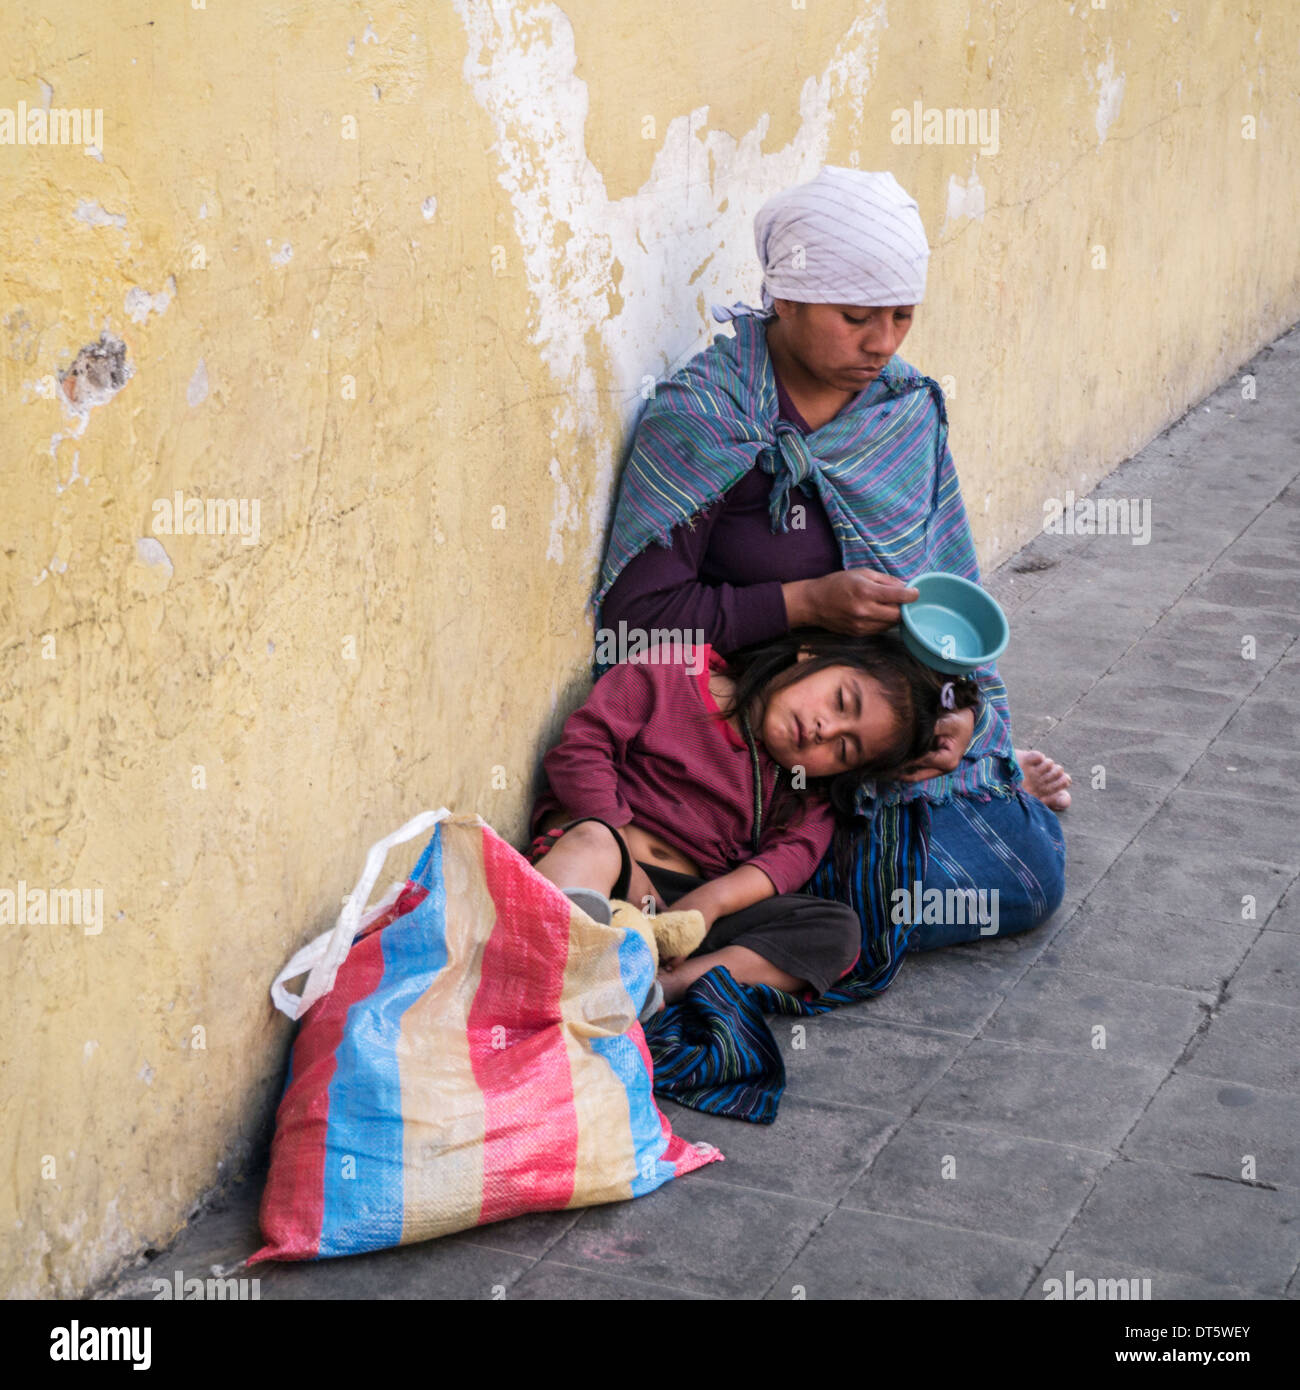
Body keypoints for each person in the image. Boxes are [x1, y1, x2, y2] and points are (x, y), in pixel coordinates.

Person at [595, 166, 1067, 967]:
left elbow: (940, 601)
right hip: (750, 747)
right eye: (855, 318)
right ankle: (738, 906)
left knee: (1025, 865)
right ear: (784, 296)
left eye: (901, 316)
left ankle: (738, 908)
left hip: (860, 726)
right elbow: (635, 621)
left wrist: (950, 712)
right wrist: (803, 602)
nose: (881, 343)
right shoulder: (704, 420)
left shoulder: (902, 410)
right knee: (1003, 866)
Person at [528, 630, 976, 1006]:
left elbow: (791, 858)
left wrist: (711, 902)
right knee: (590, 841)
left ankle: (658, 990)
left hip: (685, 915)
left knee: (837, 930)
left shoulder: (801, 785)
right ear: (811, 654)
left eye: (844, 749)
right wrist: (621, 845)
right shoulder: (675, 670)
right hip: (609, 865)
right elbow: (584, 748)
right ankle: (545, 947)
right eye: (841, 701)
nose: (826, 730)